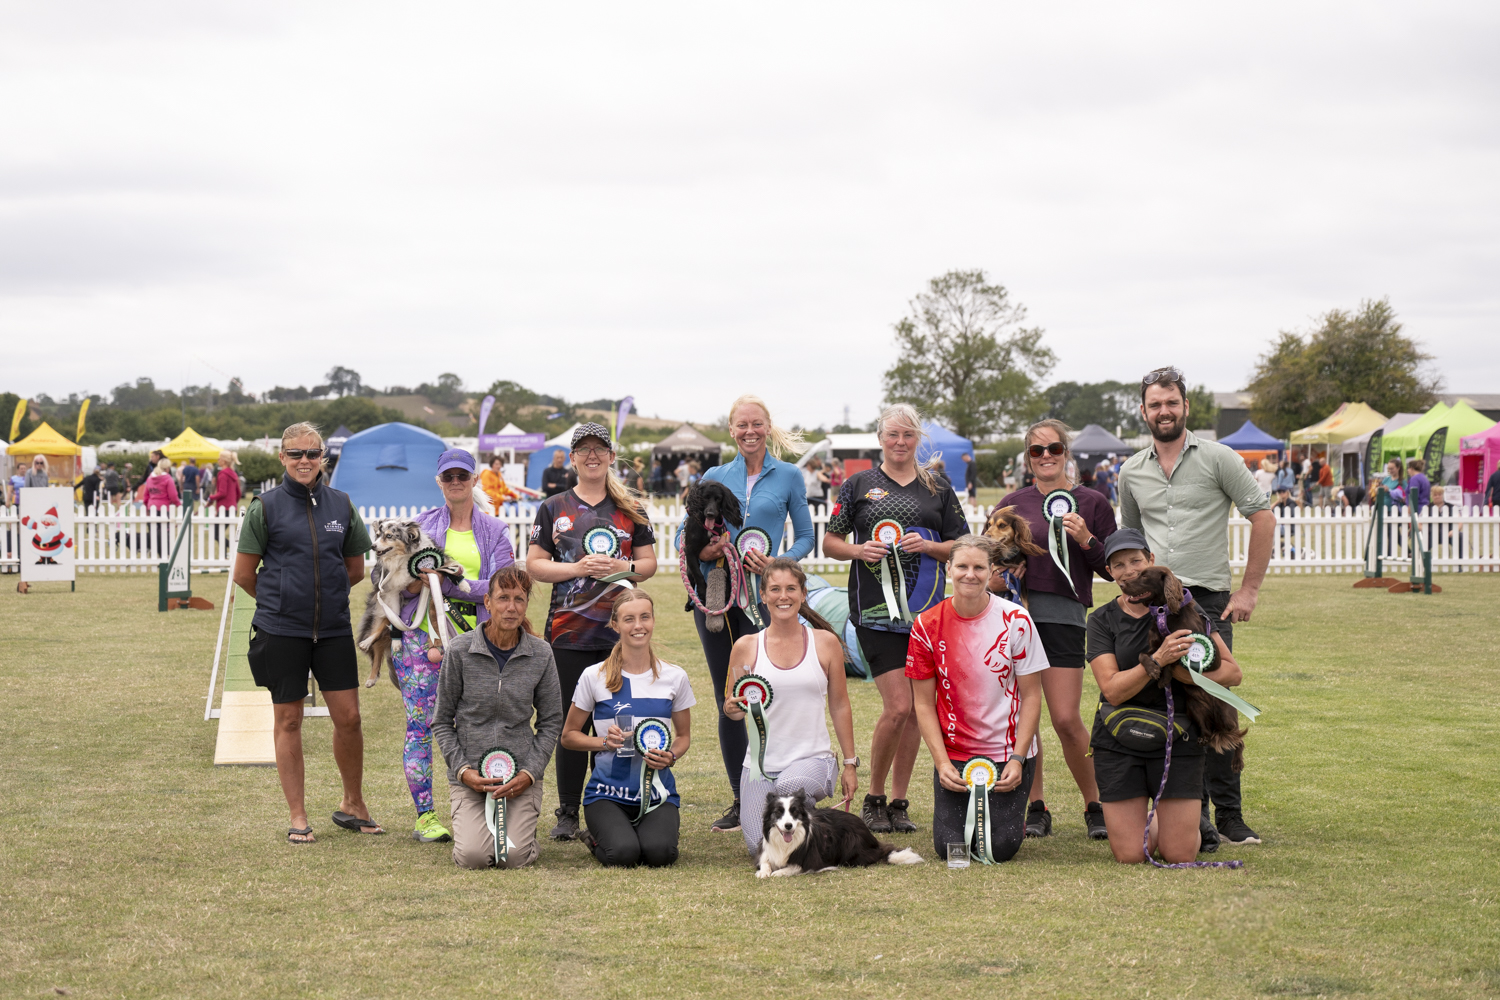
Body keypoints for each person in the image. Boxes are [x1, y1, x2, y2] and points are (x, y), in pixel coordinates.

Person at [1118, 366, 1273, 851]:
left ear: (1185, 407)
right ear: (1143, 411)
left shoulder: (1219, 458)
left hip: (1205, 602)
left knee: (1214, 699)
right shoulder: (1130, 471)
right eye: (1155, 404)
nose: (1164, 411)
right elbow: (1133, 542)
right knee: (1171, 706)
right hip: (1154, 605)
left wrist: (1247, 592)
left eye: (1172, 402)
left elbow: (1262, 517)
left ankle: (1230, 817)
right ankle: (1195, 821)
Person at [232, 423, 379, 844]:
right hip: (282, 631)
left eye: (312, 453)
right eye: (295, 454)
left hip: (332, 629)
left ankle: (353, 803)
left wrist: (324, 597)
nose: (304, 461)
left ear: (323, 459)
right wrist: (282, 601)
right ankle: (298, 815)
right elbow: (244, 574)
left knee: (349, 718)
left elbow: (354, 569)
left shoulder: (342, 504)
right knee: (289, 720)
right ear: (282, 458)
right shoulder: (265, 507)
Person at [823, 403, 966, 834]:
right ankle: (874, 797)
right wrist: (856, 550)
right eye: (892, 435)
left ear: (917, 439)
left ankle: (899, 802)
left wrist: (931, 546)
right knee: (898, 706)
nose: (900, 443)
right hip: (873, 611)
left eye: (908, 436)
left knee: (919, 708)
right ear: (880, 438)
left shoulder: (937, 486)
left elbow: (963, 546)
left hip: (926, 613)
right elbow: (829, 542)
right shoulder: (858, 485)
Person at [684, 394, 815, 833]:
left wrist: (778, 564)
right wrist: (709, 552)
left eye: (756, 424)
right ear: (731, 429)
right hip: (719, 597)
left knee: (771, 694)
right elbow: (696, 541)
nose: (749, 432)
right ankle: (742, 799)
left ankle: (780, 795)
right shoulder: (715, 476)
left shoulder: (790, 476)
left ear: (768, 426)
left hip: (765, 600)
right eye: (741, 425)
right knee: (732, 700)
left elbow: (807, 537)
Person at [526, 422, 657, 841]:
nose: (592, 456)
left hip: (621, 634)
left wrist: (621, 569)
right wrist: (578, 568)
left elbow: (648, 565)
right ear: (574, 457)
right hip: (568, 633)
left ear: (611, 456)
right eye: (583, 450)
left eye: (600, 449)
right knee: (572, 723)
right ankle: (567, 812)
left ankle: (619, 800)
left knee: (620, 720)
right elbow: (535, 565)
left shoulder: (631, 508)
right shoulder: (553, 507)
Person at [1087, 530, 1244, 864]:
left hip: (1179, 735)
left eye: (1136, 562)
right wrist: (1160, 659)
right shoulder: (1101, 620)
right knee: (1131, 855)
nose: (1128, 571)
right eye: (1118, 565)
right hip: (1120, 738)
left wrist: (1187, 675)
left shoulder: (1187, 609)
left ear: (1151, 562)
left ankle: (1176, 816)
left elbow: (1233, 673)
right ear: (1110, 573)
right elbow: (1112, 690)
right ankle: (1159, 812)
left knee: (1178, 854)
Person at [998, 419, 1116, 840]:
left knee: (1066, 719)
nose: (1046, 456)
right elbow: (988, 569)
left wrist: (1086, 538)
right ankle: (1036, 807)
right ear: (1027, 457)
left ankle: (1096, 803)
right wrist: (1005, 572)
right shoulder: (1011, 504)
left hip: (1065, 617)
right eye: (1036, 450)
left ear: (1067, 452)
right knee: (1022, 720)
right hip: (1014, 621)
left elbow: (1112, 569)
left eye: (1054, 448)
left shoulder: (1094, 502)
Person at [390, 449, 516, 844]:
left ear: (475, 480)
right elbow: (396, 581)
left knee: (478, 726)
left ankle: (478, 810)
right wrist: (422, 581)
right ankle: (425, 816)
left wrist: (448, 582)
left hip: (478, 643)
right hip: (423, 641)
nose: (456, 482)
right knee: (421, 727)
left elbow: (504, 587)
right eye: (449, 477)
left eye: (463, 476)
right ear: (439, 482)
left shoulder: (495, 530)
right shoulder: (419, 527)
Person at [909, 535, 1049, 863]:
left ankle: (1012, 809)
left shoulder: (1017, 620)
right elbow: (923, 704)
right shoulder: (926, 625)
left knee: (998, 848)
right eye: (962, 566)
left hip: (1007, 755)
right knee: (950, 849)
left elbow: (1031, 696)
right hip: (956, 756)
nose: (969, 574)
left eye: (978, 567)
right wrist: (942, 763)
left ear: (992, 571)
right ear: (948, 569)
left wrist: (1017, 759)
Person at [724, 558, 860, 857]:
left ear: (803, 593)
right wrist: (733, 708)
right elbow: (732, 708)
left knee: (789, 786)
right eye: (774, 589)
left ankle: (811, 827)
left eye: (790, 588)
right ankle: (819, 833)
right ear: (763, 595)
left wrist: (850, 763)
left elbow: (839, 705)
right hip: (760, 766)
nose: (782, 596)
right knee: (757, 847)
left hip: (812, 761)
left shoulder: (825, 642)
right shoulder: (745, 646)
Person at [432, 565, 563, 869]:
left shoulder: (541, 654)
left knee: (513, 857)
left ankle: (525, 837)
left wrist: (528, 774)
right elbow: (442, 721)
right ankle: (479, 830)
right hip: (470, 778)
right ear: (487, 602)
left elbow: (551, 722)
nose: (511, 607)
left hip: (520, 779)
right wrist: (464, 772)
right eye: (503, 598)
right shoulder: (460, 652)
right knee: (473, 858)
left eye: (519, 599)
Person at [561, 588, 694, 868]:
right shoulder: (593, 676)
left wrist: (672, 756)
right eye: (629, 619)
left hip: (658, 794)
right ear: (615, 625)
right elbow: (569, 737)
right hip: (607, 795)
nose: (638, 626)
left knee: (659, 854)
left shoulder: (675, 677)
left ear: (653, 621)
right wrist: (603, 743)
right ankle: (600, 837)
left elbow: (683, 736)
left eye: (645, 617)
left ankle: (645, 833)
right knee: (622, 855)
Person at [143, 459, 181, 555]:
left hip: (152, 508)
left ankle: (155, 552)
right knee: (165, 533)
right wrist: (179, 505)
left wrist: (147, 507)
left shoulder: (150, 478)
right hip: (164, 509)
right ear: (167, 469)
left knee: (153, 533)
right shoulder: (168, 479)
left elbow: (145, 495)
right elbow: (173, 495)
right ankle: (166, 554)